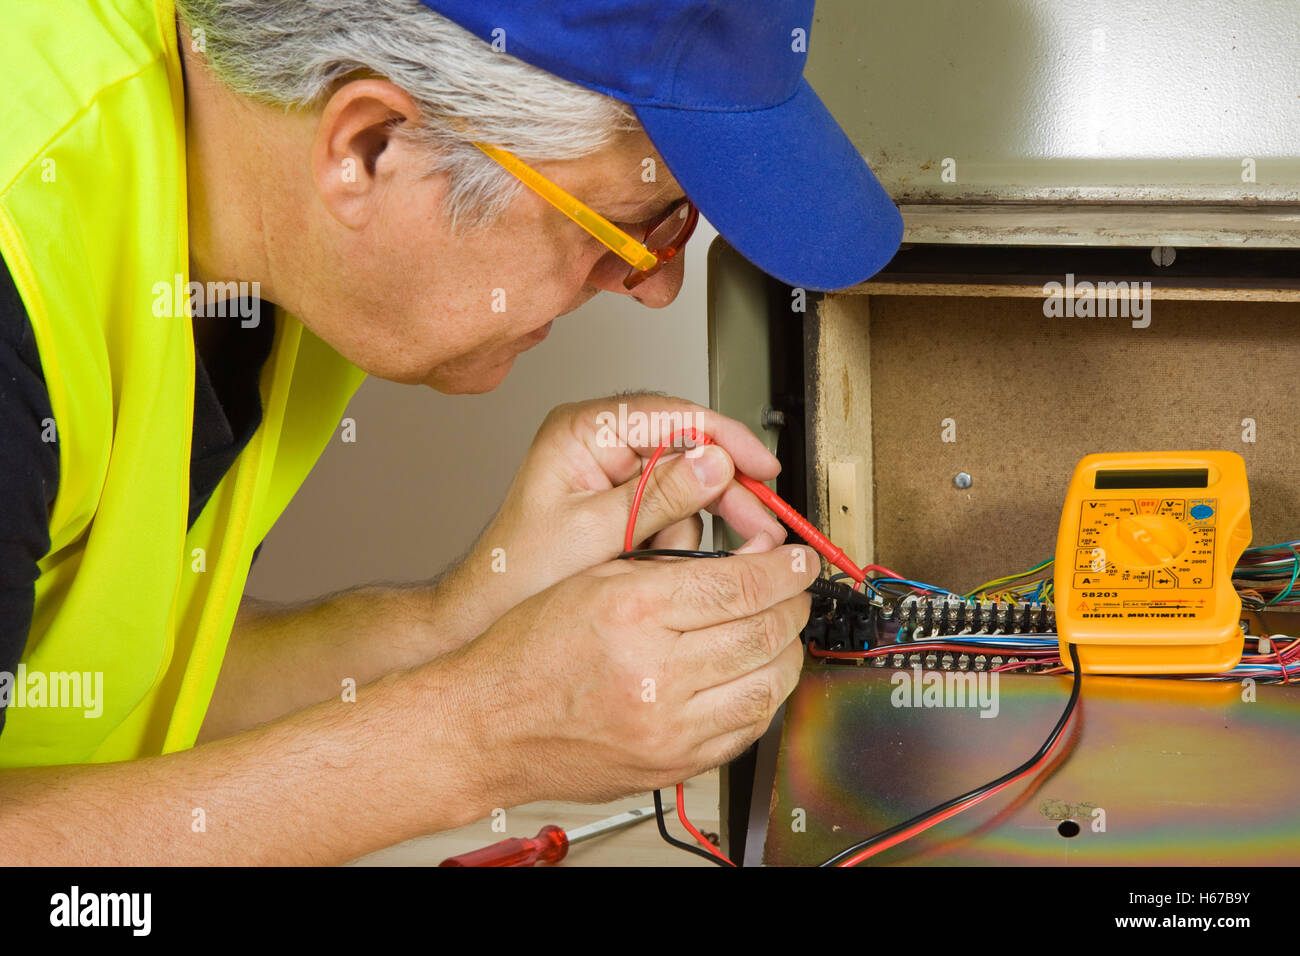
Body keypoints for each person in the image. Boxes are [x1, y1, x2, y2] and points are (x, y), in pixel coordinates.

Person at [0, 0, 901, 863]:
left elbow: (112, 694)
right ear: (369, 147)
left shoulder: (263, 216)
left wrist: (463, 618)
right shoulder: (22, 233)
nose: (659, 287)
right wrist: (478, 740)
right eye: (629, 233)